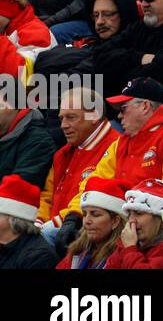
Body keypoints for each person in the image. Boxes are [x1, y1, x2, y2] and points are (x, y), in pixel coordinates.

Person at [53, 78, 163, 248]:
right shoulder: (122, 143)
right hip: (124, 225)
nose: (119, 115)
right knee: (54, 236)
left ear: (145, 106)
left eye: (124, 109)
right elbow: (93, 184)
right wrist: (74, 215)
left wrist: (124, 216)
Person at [38, 87, 119, 233]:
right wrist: (39, 222)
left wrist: (53, 226)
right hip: (54, 231)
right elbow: (47, 197)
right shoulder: (62, 154)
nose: (63, 125)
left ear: (94, 115)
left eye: (71, 117)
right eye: (61, 118)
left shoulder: (117, 148)